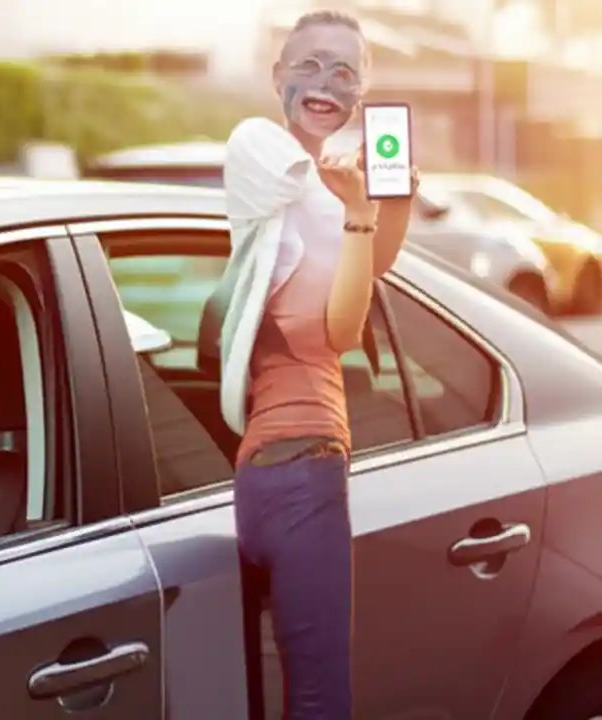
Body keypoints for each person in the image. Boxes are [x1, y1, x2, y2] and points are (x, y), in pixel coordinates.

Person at [205, 9, 418, 719]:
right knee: (323, 701)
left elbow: (373, 268)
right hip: (304, 474)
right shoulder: (263, 150)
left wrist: (392, 199)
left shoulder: (314, 194)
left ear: (362, 94)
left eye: (346, 72)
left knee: (286, 695)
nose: (327, 82)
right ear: (276, 77)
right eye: (310, 64)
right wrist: (357, 210)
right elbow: (342, 328)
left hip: (276, 472)